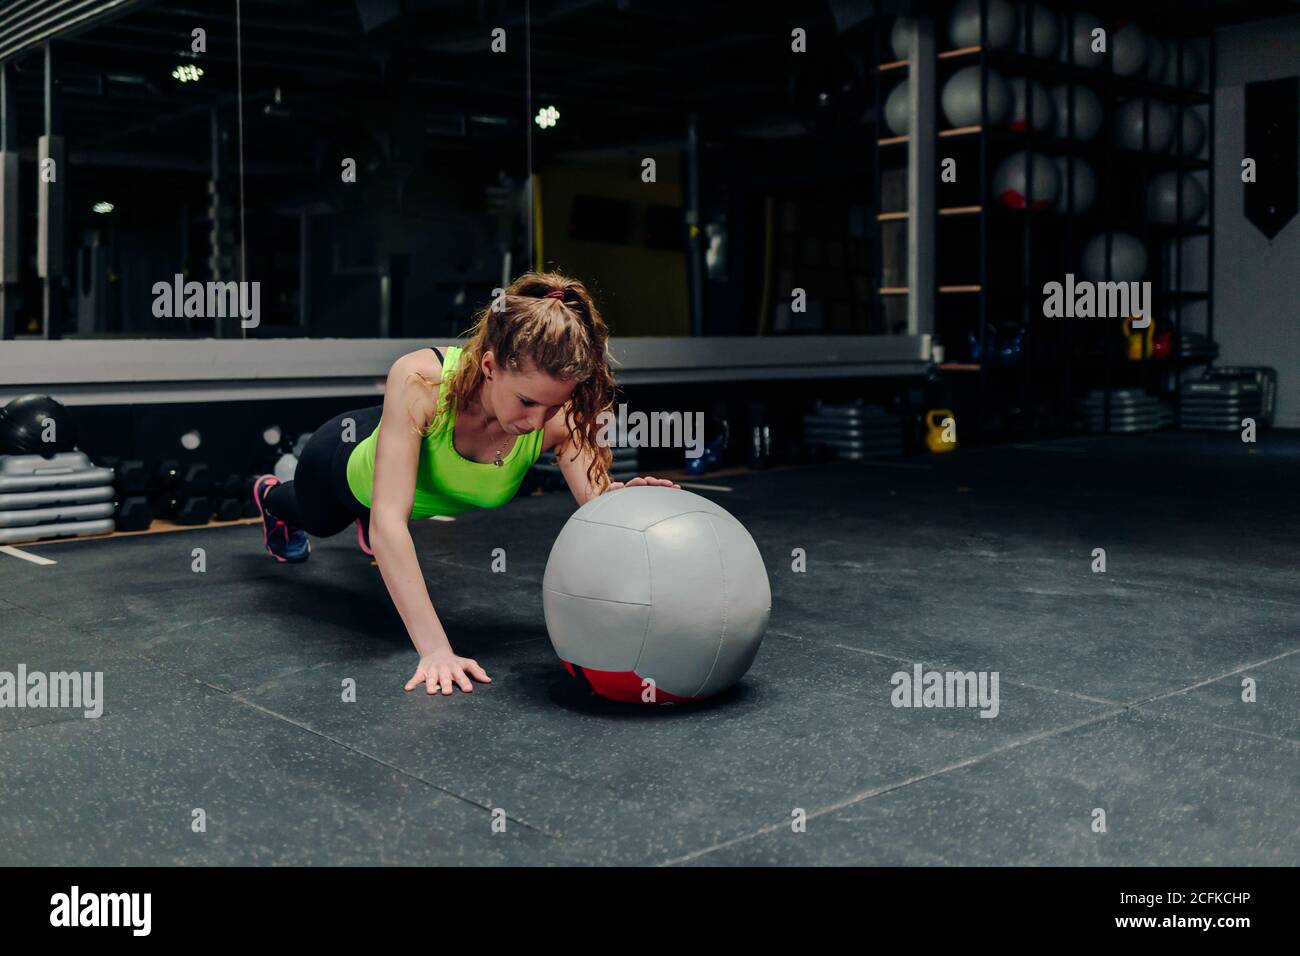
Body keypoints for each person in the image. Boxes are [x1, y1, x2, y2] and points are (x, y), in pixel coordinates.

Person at [251, 272, 680, 697]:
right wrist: (436, 649)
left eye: (552, 405)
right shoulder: (421, 381)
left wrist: (628, 506)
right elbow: (389, 525)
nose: (535, 422)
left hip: (395, 472)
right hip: (340, 461)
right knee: (318, 520)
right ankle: (269, 493)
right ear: (490, 366)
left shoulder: (559, 420)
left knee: (386, 507)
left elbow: (598, 514)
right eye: (527, 401)